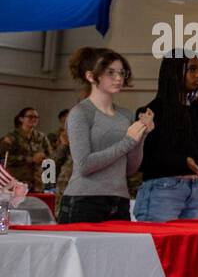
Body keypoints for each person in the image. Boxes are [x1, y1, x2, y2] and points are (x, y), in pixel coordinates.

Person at [58, 49, 153, 223]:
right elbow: (84, 165)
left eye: (121, 72)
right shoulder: (81, 113)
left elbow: (130, 169)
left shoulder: (126, 115)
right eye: (110, 72)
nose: (118, 78)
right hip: (84, 201)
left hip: (120, 200)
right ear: (91, 76)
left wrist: (142, 137)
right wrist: (128, 141)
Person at [135, 50, 198, 222]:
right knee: (158, 246)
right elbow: (146, 159)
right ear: (174, 72)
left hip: (196, 190)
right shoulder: (151, 112)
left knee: (192, 248)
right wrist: (183, 161)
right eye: (192, 69)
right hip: (162, 190)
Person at [1, 107, 53, 191]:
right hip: (17, 182)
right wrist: (30, 159)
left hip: (37, 182)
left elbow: (51, 156)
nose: (33, 119)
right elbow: (6, 158)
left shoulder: (41, 137)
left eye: (36, 117)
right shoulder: (11, 137)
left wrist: (44, 158)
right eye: (30, 116)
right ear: (21, 119)